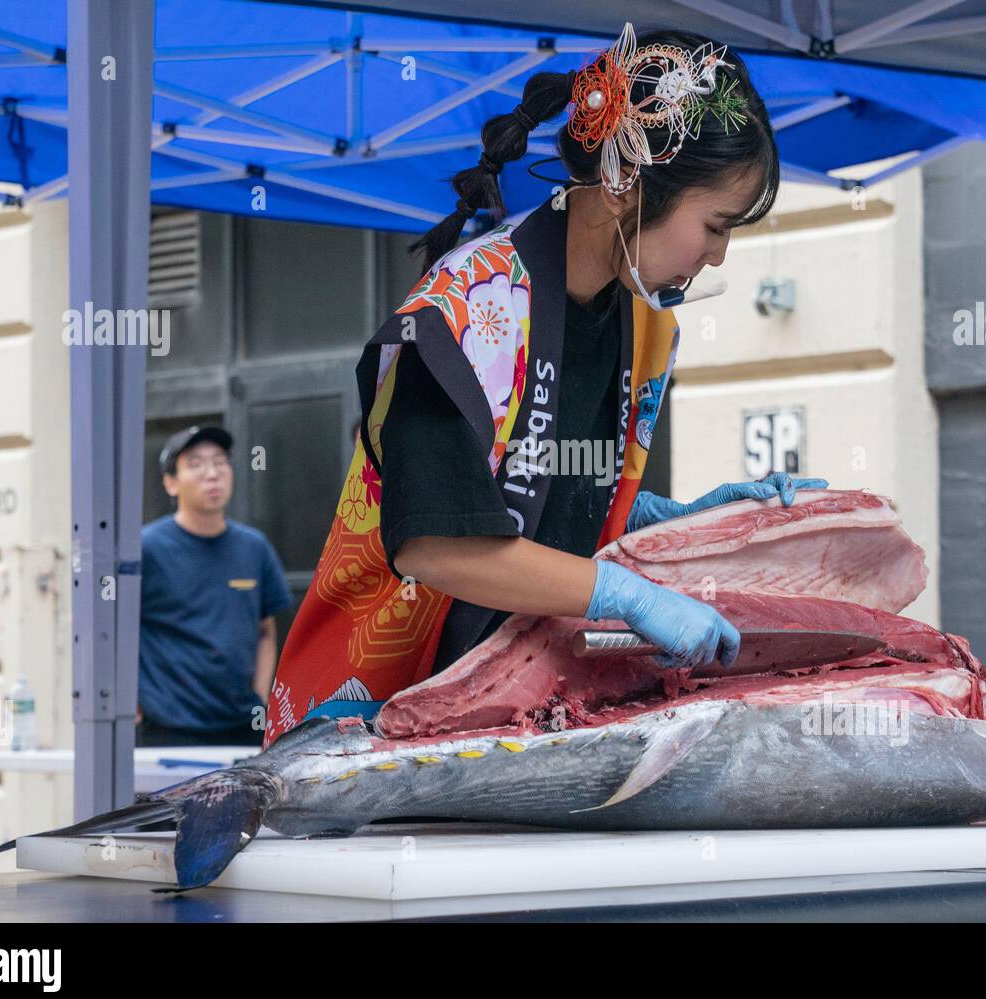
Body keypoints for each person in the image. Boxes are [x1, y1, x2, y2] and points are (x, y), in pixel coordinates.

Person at [261, 23, 827, 748]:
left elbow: (561, 497)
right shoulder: (461, 314)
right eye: (716, 225)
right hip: (366, 724)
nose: (717, 257)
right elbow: (438, 544)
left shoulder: (646, 324)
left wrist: (684, 520)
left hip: (515, 722)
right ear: (626, 185)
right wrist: (626, 593)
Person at [136, 425, 292, 747]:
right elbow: (114, 629)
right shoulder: (145, 548)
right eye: (195, 464)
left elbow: (265, 630)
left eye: (220, 462)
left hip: (242, 727)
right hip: (168, 728)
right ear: (170, 482)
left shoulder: (253, 547)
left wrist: (259, 698)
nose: (212, 474)